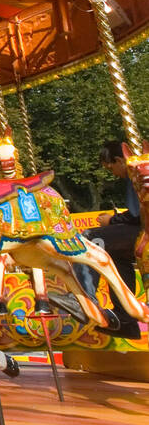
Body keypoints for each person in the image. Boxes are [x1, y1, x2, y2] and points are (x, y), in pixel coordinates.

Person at [71, 142, 146, 336]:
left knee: (89, 238)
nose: (111, 172)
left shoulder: (135, 173)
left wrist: (111, 220)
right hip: (138, 232)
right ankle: (125, 319)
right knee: (116, 254)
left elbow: (137, 215)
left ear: (120, 160)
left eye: (110, 167)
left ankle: (84, 298)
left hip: (142, 232)